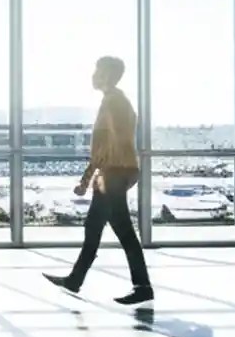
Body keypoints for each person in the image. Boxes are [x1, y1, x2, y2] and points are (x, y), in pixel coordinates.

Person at [44, 56, 154, 306]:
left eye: (98, 71)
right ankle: (80, 279)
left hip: (113, 172)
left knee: (107, 228)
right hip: (118, 171)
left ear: (108, 75)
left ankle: (138, 286)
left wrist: (86, 179)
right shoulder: (119, 101)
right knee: (108, 228)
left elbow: (106, 146)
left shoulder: (113, 102)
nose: (94, 75)